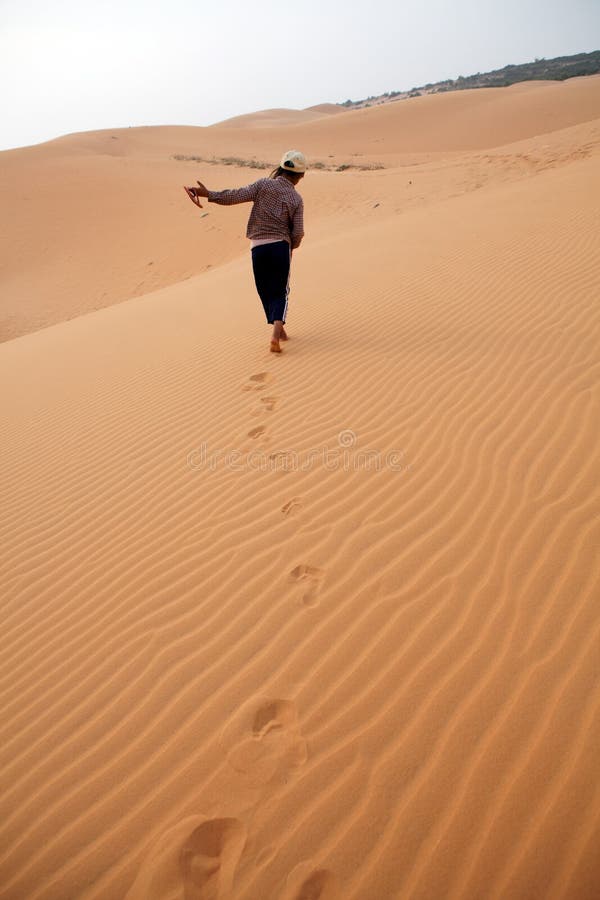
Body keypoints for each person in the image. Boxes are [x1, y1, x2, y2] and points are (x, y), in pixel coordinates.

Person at [185, 150, 306, 353]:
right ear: (300, 176)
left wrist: (208, 194)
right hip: (280, 246)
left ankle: (280, 330)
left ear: (280, 169)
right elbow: (299, 231)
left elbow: (234, 195)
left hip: (257, 247)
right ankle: (276, 333)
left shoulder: (262, 185)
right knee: (280, 291)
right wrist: (292, 247)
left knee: (265, 289)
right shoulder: (296, 198)